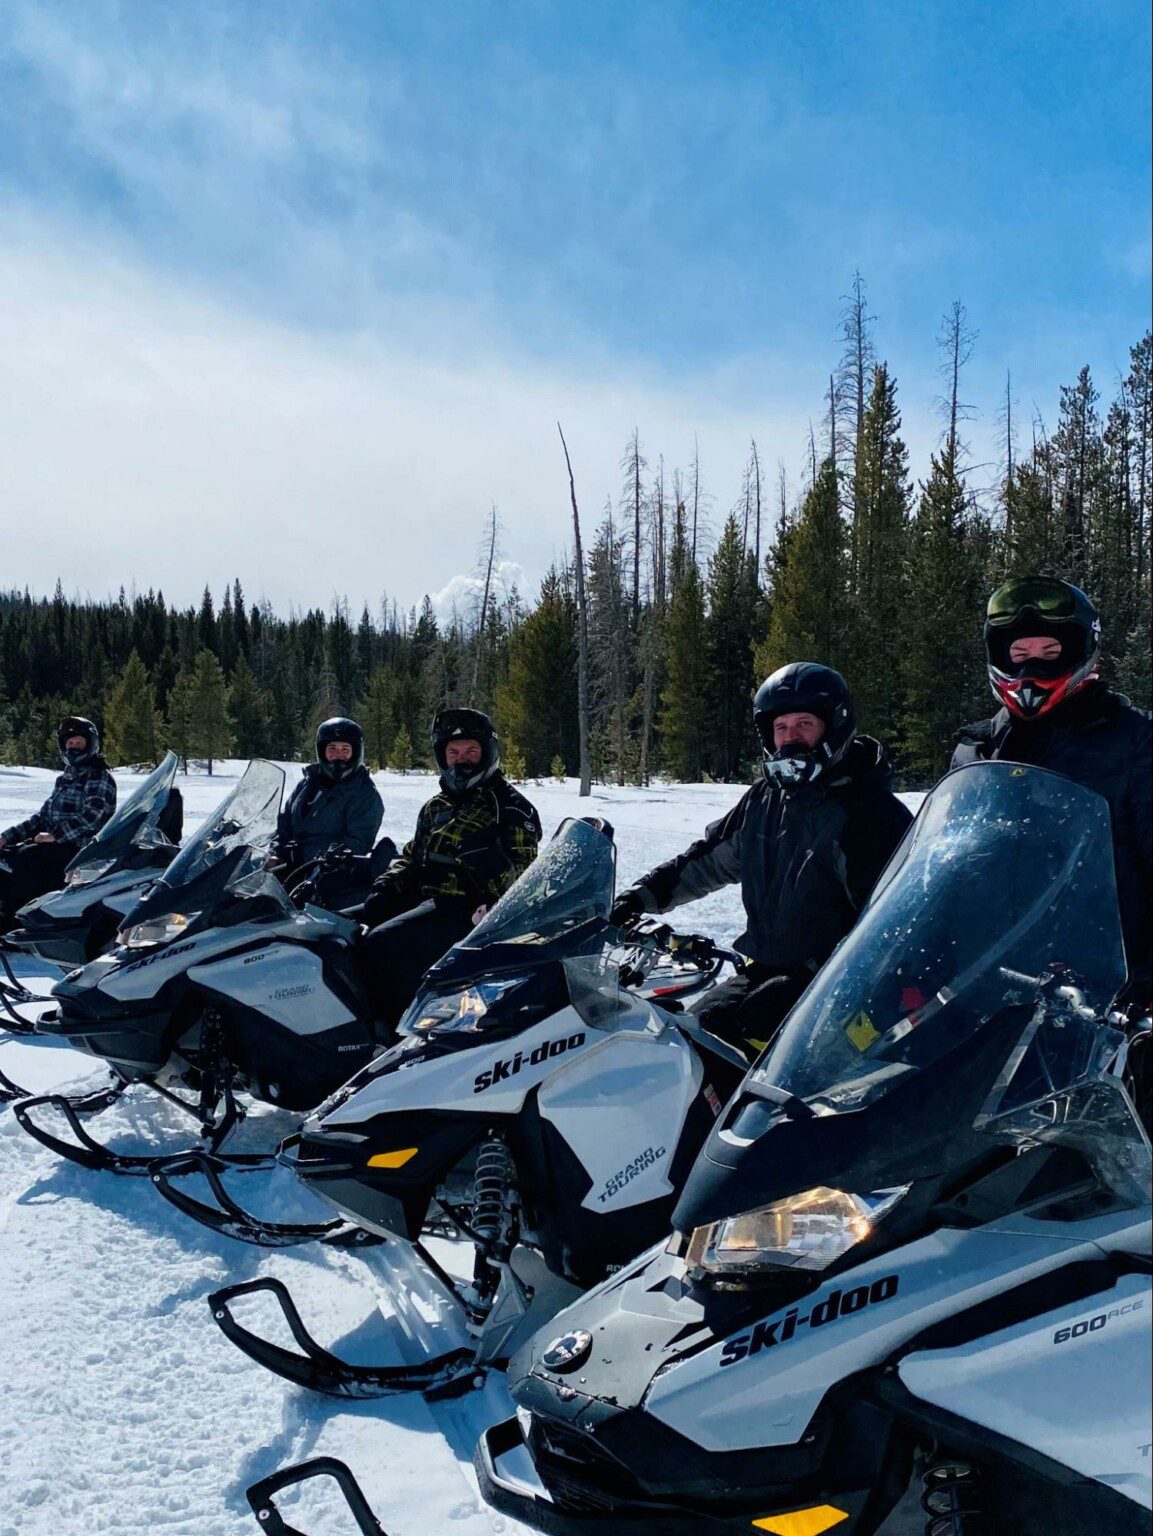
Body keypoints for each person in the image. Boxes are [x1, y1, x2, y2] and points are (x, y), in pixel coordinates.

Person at [611, 663, 913, 1049]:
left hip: (850, 989)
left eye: (804, 724)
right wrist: (639, 897)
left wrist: (818, 980)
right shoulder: (764, 799)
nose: (790, 740)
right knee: (688, 1041)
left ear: (833, 727)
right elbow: (708, 860)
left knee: (760, 1058)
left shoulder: (869, 813)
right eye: (781, 728)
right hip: (766, 973)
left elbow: (897, 930)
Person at [953, 575, 1152, 1005]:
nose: (1031, 669)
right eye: (1020, 654)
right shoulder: (978, 750)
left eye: (1050, 653)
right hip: (991, 981)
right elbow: (943, 874)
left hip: (1107, 991)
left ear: (1080, 653)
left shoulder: (1134, 741)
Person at [359, 707, 542, 1028]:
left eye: (471, 750)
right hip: (430, 898)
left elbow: (528, 880)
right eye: (453, 751)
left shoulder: (511, 807)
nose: (462, 759)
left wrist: (491, 867)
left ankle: (395, 1030)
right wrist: (388, 884)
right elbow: (413, 856)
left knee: (382, 945)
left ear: (487, 753)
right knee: (345, 930)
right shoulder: (436, 806)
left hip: (478, 914)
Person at [0, 716, 118, 928]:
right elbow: (42, 818)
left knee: (27, 858)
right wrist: (6, 837)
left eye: (78, 742)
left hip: (82, 851)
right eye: (69, 743)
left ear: (90, 744)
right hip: (55, 844)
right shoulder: (65, 779)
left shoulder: (99, 776)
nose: (73, 747)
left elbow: (93, 817)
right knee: (6, 854)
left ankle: (14, 921)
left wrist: (56, 835)